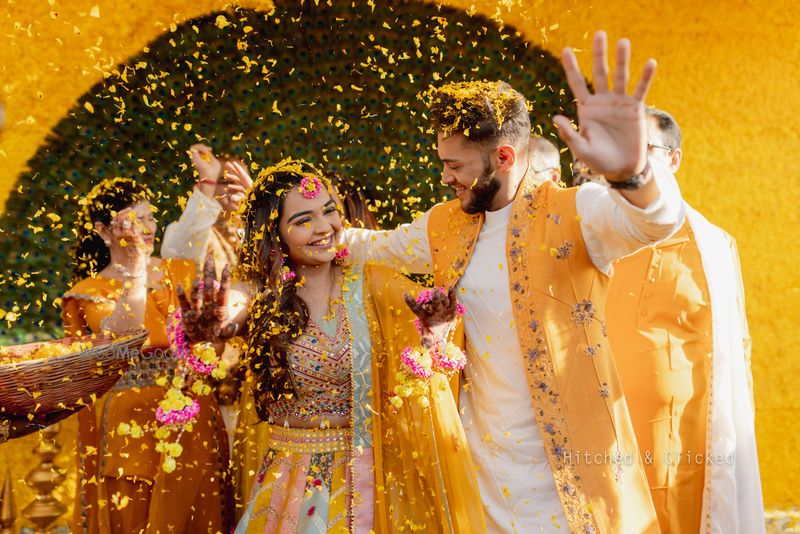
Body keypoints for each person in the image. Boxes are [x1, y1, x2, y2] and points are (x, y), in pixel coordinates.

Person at [343, 32, 685, 532]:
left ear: (503, 157)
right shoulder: (444, 225)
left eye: (455, 165)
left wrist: (634, 174)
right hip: (480, 475)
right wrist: (283, 220)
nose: (445, 178)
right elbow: (366, 246)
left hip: (576, 477)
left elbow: (656, 223)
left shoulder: (577, 213)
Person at [178, 159, 484, 532]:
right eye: (303, 220)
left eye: (328, 211)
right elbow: (229, 311)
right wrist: (211, 326)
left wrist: (435, 324)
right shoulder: (264, 294)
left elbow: (429, 316)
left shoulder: (371, 281)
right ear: (276, 235)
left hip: (370, 476)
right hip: (290, 483)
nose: (324, 228)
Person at [606, 107, 765, 533]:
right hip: (601, 430)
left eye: (643, 151)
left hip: (683, 442)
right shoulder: (596, 231)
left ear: (673, 159)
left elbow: (737, 347)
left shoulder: (712, 245)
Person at [61, 177, 232, 533]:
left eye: (150, 217)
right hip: (132, 429)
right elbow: (123, 334)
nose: (147, 227)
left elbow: (209, 346)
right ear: (104, 231)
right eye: (134, 220)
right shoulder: (86, 292)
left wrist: (207, 345)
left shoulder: (179, 270)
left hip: (190, 416)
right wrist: (138, 269)